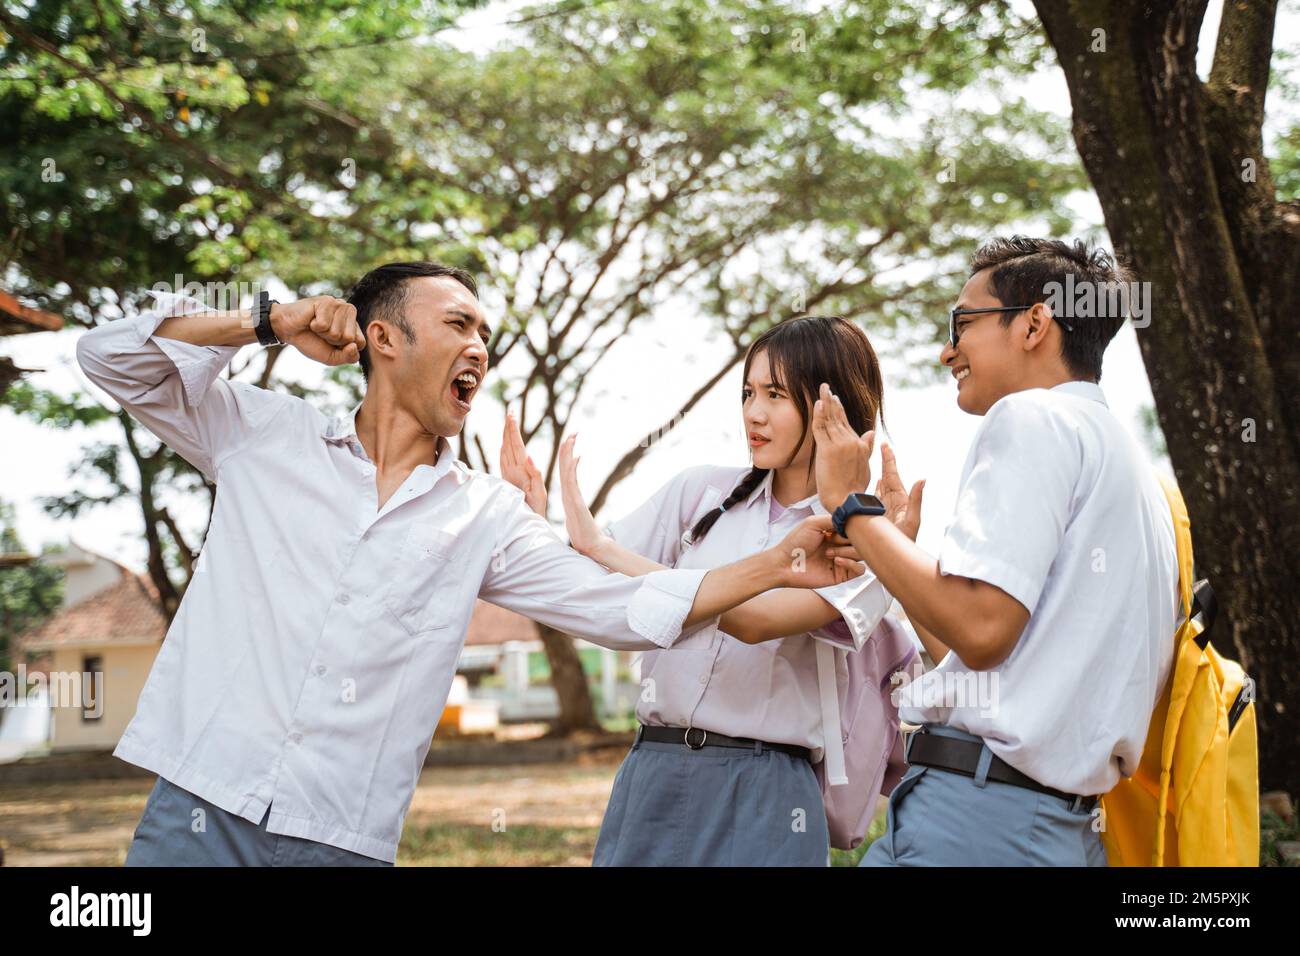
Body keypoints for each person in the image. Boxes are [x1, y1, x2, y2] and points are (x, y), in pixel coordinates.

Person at [78, 261, 846, 867]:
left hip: (342, 835)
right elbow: (109, 355)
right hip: (199, 808)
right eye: (458, 324)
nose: (480, 346)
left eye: (486, 333)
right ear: (383, 339)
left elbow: (622, 612)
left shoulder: (486, 514)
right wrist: (269, 320)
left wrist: (775, 562)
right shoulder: (260, 432)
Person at [506, 315, 942, 865]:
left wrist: (604, 548)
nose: (753, 414)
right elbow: (591, 589)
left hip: (768, 788)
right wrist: (533, 522)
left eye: (776, 394)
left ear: (832, 406)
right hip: (653, 768)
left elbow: (755, 620)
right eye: (748, 393)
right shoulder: (699, 493)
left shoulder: (867, 538)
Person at [812, 236, 1180, 866]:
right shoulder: (1132, 467)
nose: (946, 349)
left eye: (963, 323)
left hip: (978, 821)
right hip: (1048, 827)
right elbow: (978, 658)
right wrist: (893, 554)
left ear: (1035, 322)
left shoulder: (1032, 419)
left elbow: (984, 631)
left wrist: (852, 506)